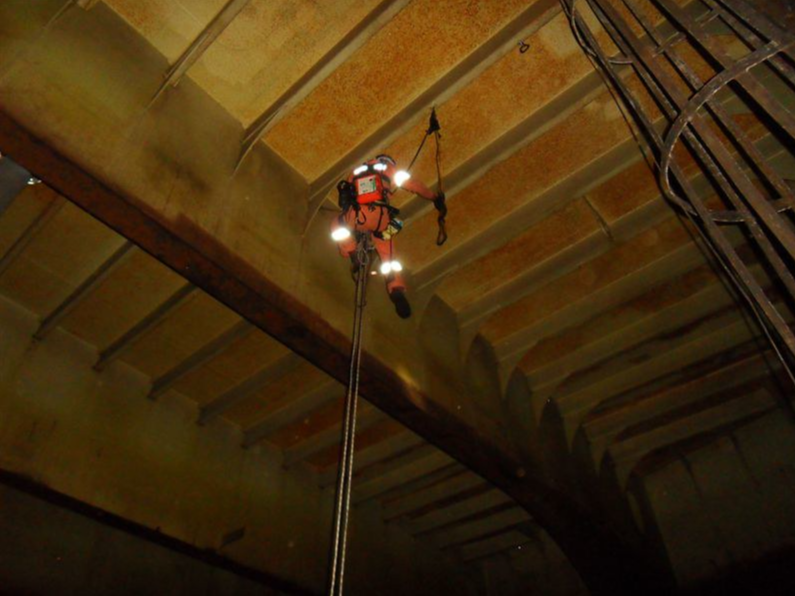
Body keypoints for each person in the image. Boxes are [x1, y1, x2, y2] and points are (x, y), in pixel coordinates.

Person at [330, 154, 446, 319]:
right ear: (390, 162)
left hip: (357, 217)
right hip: (381, 220)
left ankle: (351, 252)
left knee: (337, 224)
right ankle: (395, 289)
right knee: (388, 255)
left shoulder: (356, 172)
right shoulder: (391, 171)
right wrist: (434, 198)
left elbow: (346, 199)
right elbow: (415, 185)